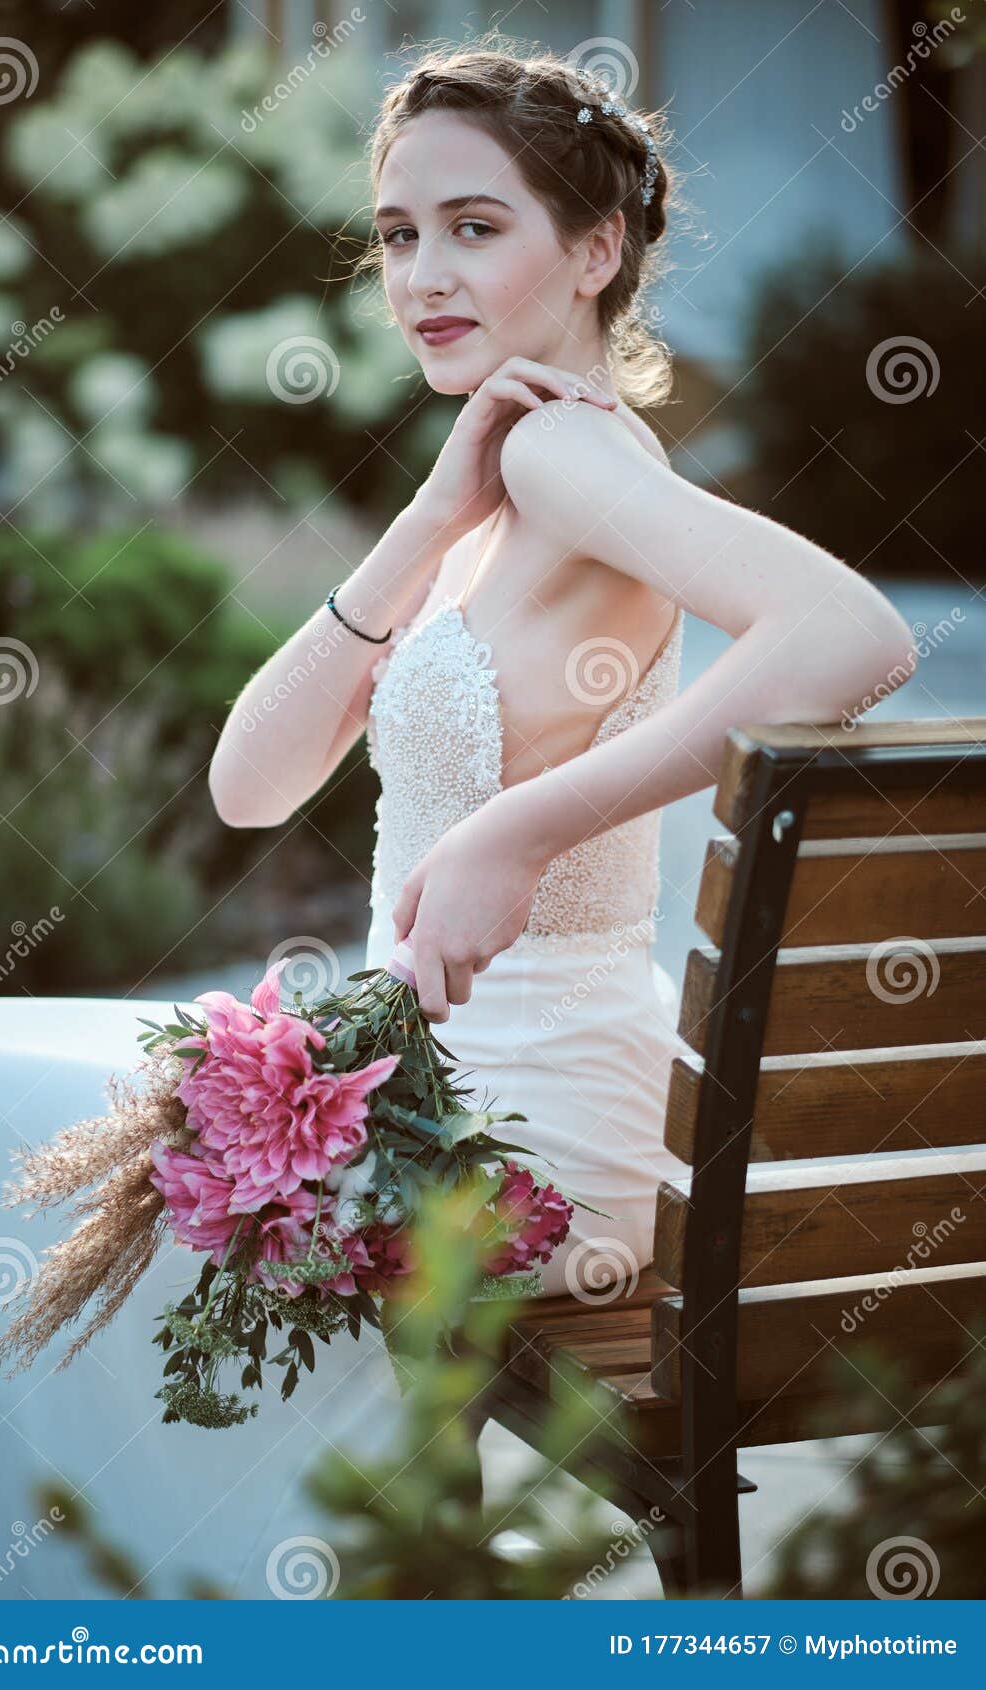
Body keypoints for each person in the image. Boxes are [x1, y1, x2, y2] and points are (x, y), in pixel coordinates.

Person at [207, 42, 916, 1584]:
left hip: (524, 1132)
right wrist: (426, 517)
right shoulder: (497, 473)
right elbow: (249, 784)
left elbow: (855, 633)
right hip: (466, 1095)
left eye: (477, 227)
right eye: (400, 233)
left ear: (596, 250)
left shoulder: (566, 451)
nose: (423, 275)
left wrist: (515, 831)